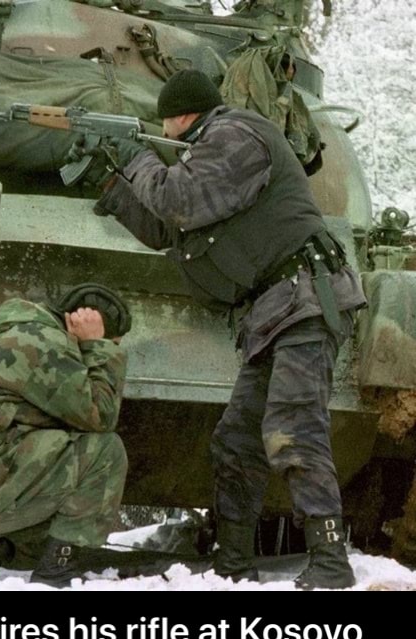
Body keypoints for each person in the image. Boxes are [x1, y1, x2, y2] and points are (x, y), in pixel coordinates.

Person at [95, 69, 367, 589]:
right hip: (273, 315)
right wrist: (111, 181)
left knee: (293, 428)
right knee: (237, 442)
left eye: (163, 122)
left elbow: (179, 202)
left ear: (179, 115)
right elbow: (165, 228)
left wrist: (137, 156)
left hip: (306, 300)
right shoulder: (205, 155)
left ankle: (331, 563)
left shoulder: (235, 134)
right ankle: (233, 564)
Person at [0, 283, 132, 587]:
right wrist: (99, 347)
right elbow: (101, 416)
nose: (116, 347)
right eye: (115, 340)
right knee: (103, 452)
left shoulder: (26, 333)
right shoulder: (44, 341)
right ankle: (55, 572)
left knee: (63, 478)